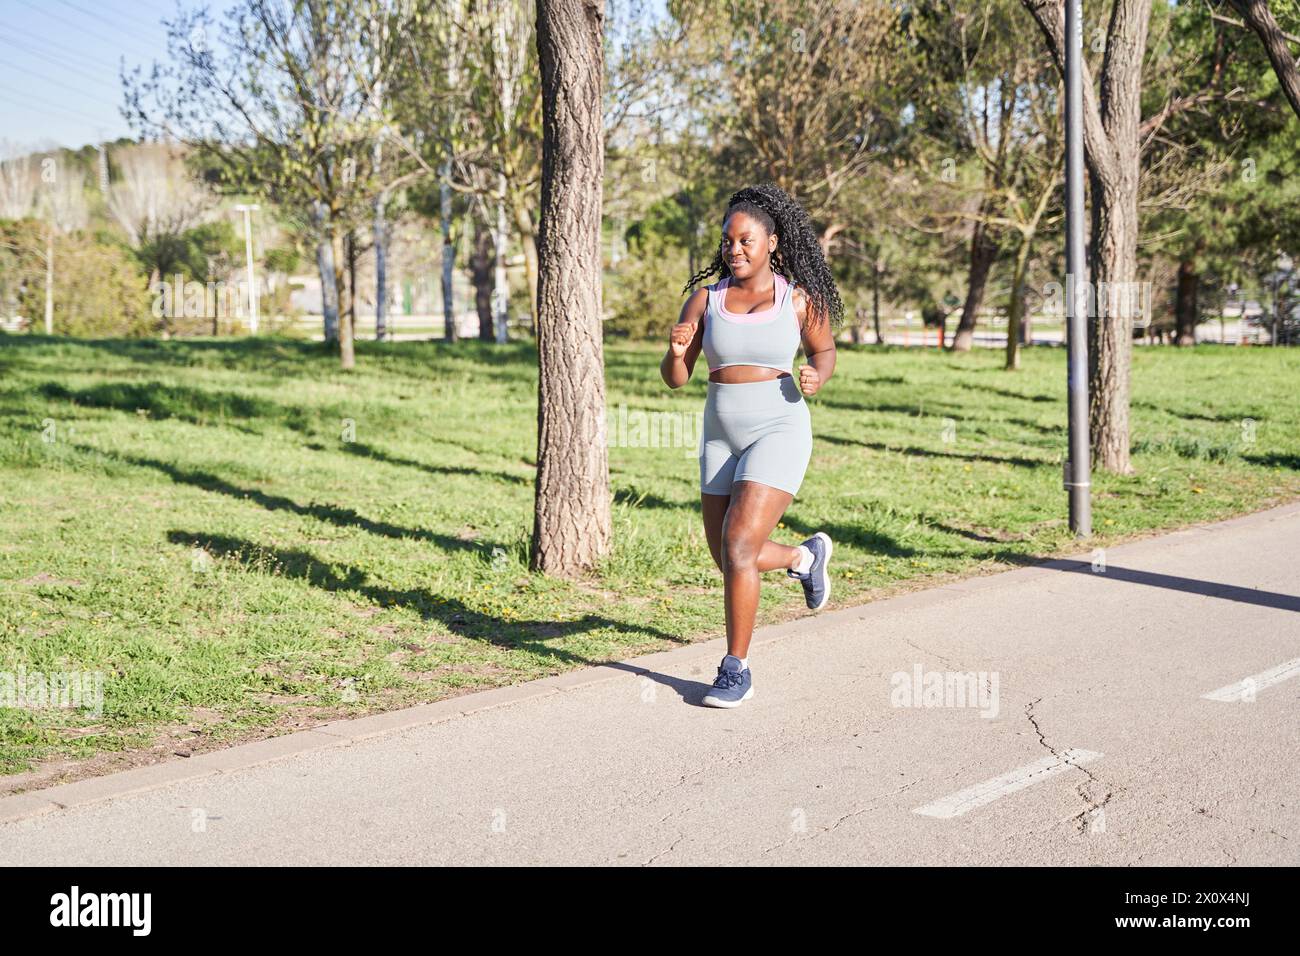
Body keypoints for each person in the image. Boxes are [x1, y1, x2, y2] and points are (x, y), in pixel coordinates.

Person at [660, 183, 843, 708]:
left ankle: (735, 668)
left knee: (739, 547)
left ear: (772, 243)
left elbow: (824, 350)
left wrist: (817, 375)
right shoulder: (706, 299)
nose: (734, 250)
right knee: (726, 555)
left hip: (778, 429)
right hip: (720, 434)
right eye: (726, 241)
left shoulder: (797, 298)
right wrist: (676, 353)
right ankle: (803, 559)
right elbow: (677, 378)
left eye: (745, 241)